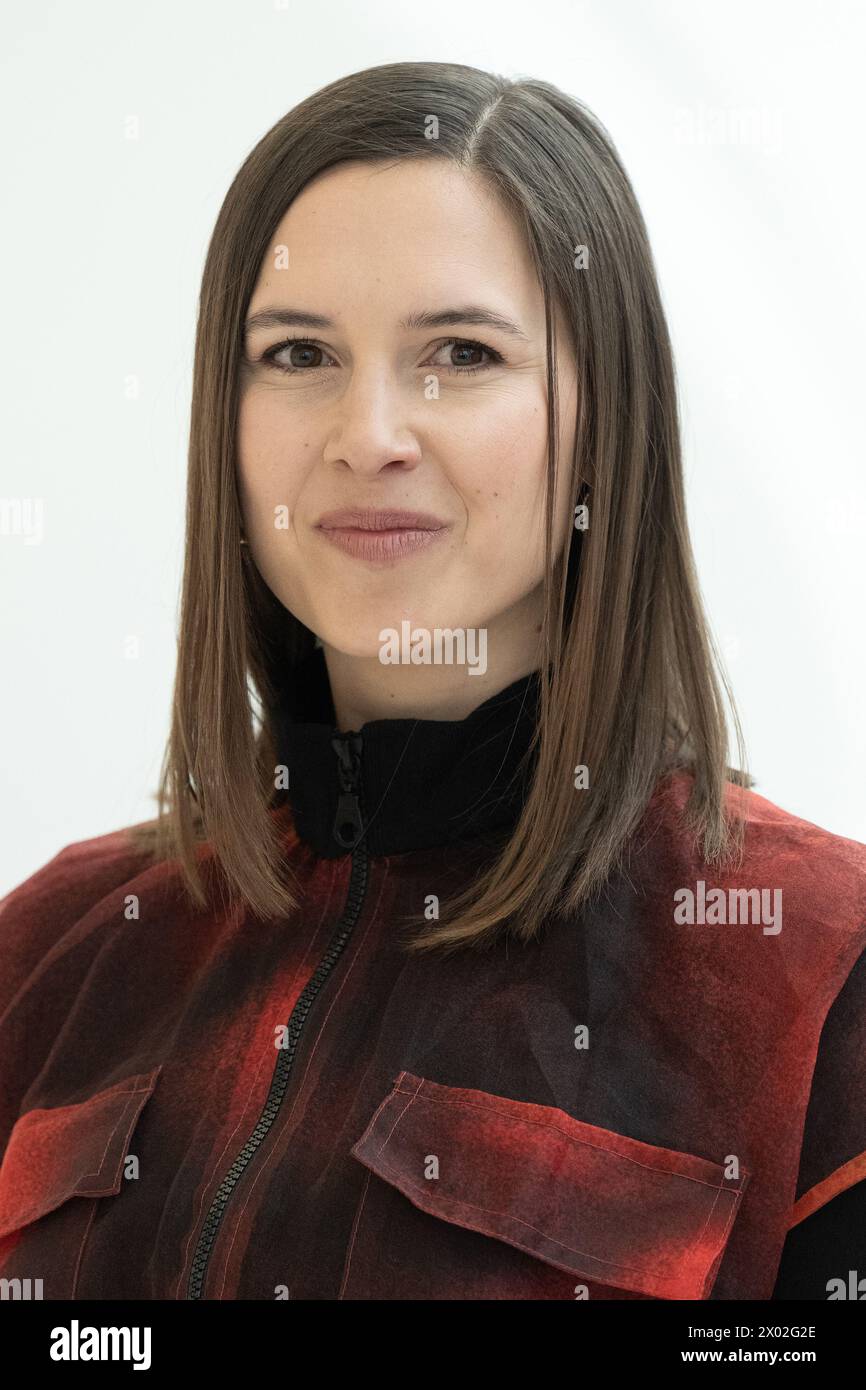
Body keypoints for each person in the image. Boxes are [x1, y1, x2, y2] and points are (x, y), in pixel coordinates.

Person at [1, 61, 864, 1302]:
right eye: (297, 353)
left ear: (599, 420)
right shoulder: (43, 952)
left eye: (458, 353)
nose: (368, 434)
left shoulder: (815, 969)